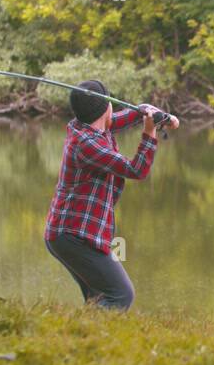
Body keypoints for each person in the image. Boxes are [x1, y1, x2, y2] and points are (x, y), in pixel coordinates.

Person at [44, 80, 178, 310]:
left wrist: (157, 115)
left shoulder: (88, 126)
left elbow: (127, 117)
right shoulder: (87, 145)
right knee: (120, 294)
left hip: (72, 233)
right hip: (72, 235)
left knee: (97, 296)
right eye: (109, 103)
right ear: (105, 108)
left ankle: (83, 338)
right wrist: (149, 131)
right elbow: (137, 170)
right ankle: (80, 333)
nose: (113, 109)